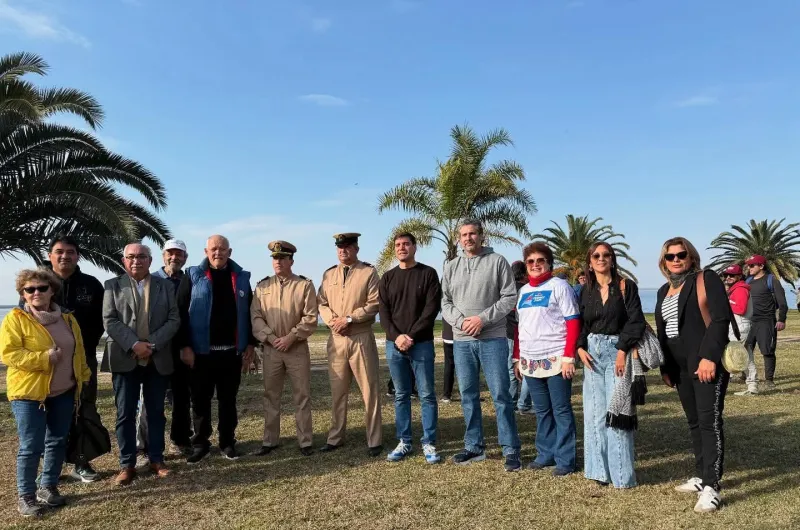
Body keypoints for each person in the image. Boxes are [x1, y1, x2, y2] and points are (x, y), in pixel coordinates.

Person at [1, 268, 92, 516]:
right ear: (23, 293)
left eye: (42, 288)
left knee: (57, 440)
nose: (36, 293)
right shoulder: (15, 319)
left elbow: (79, 350)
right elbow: (9, 354)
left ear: (52, 290)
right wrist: (44, 358)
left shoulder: (67, 319)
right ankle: (27, 496)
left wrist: (83, 376)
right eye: (29, 289)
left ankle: (48, 487)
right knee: (31, 446)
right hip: (29, 395)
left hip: (64, 391)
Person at [654, 237, 732, 513]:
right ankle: (701, 476)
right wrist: (666, 368)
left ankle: (712, 486)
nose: (676, 260)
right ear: (663, 261)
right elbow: (664, 332)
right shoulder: (665, 290)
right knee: (694, 422)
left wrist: (710, 357)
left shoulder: (705, 279)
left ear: (691, 256)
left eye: (681, 254)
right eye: (670, 256)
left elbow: (721, 319)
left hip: (705, 363)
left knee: (709, 422)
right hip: (680, 367)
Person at [441, 220, 521, 471]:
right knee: (468, 395)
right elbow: (445, 302)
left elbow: (510, 297)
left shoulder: (497, 261)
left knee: (500, 395)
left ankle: (510, 449)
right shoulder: (451, 266)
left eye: (472, 233)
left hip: (493, 339)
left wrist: (482, 320)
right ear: (459, 238)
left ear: (481, 235)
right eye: (464, 235)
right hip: (462, 341)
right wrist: (462, 322)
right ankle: (474, 447)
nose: (468, 238)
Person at [103, 243, 180, 486]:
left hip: (157, 358)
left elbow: (173, 319)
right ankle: (127, 464)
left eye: (142, 257)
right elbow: (110, 320)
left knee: (156, 412)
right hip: (125, 358)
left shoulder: (165, 286)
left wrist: (151, 344)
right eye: (131, 257)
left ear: (150, 260)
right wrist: (134, 344)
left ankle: (157, 459)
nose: (137, 261)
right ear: (124, 260)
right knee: (125, 413)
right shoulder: (112, 286)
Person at [177, 235, 256, 463]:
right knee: (200, 400)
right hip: (201, 353)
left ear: (229, 252)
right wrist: (185, 346)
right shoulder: (192, 275)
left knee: (228, 400)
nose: (218, 253)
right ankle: (200, 443)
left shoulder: (241, 278)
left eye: (222, 249)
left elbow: (249, 313)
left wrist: (250, 343)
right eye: (213, 249)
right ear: (206, 251)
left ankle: (227, 442)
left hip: (231, 353)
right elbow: (180, 312)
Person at [576, 243, 645, 488]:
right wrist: (580, 347)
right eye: (596, 255)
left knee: (618, 413)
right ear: (590, 261)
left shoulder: (626, 287)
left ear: (613, 260)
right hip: (592, 353)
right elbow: (582, 324)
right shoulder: (586, 290)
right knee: (594, 415)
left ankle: (622, 477)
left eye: (606, 255)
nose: (601, 259)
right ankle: (598, 472)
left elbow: (636, 321)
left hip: (618, 351)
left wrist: (622, 350)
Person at [512, 242, 580, 477]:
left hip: (556, 357)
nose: (535, 265)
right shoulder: (523, 292)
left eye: (540, 260)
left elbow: (573, 321)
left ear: (549, 262)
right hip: (530, 360)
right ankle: (545, 454)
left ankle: (565, 459)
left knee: (560, 409)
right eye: (530, 261)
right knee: (542, 411)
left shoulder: (559, 286)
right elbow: (520, 327)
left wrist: (569, 357)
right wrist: (517, 357)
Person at [46, 235, 105, 483]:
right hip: (49, 362)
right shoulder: (39, 283)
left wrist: (80, 349)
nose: (65, 256)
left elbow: (101, 322)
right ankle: (52, 466)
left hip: (83, 360)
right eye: (59, 251)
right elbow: (26, 321)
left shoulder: (91, 285)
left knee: (84, 408)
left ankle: (82, 461)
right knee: (51, 413)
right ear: (50, 255)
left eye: (70, 252)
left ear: (77, 256)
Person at [379, 233, 442, 463]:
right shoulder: (387, 278)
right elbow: (383, 313)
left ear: (415, 247)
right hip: (394, 346)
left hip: (421, 344)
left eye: (406, 244)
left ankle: (429, 442)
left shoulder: (428, 274)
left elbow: (431, 309)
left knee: (426, 395)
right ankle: (404, 441)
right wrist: (397, 337)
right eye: (398, 245)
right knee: (401, 395)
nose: (402, 248)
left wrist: (411, 336)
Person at [317, 233, 383, 456]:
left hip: (360, 337)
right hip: (336, 339)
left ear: (356, 248)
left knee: (369, 391)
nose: (342, 250)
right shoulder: (328, 275)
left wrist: (349, 319)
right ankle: (335, 437)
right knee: (337, 392)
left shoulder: (368, 272)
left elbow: (374, 303)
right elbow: (321, 303)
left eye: (347, 246)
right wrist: (333, 321)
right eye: (339, 247)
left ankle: (374, 439)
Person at [251, 240, 318, 457]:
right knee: (271, 395)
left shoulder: (304, 285)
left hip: (296, 348)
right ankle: (270, 441)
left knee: (302, 395)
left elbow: (310, 317)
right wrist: (270, 338)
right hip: (272, 350)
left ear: (291, 260)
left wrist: (291, 337)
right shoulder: (262, 287)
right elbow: (256, 316)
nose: (277, 261)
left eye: (282, 258)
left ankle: (305, 441)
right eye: (274, 258)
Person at [743, 254, 788, 392]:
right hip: (749, 321)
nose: (749, 268)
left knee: (767, 351)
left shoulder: (771, 280)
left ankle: (769, 380)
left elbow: (782, 303)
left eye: (752, 265)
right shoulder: (748, 280)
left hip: (766, 321)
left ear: (761, 266)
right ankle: (745, 375)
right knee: (745, 349)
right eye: (748, 265)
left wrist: (781, 319)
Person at [723, 265, 757, 396]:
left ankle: (726, 383)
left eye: (731, 275)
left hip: (740, 325)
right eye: (726, 275)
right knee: (746, 356)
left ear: (739, 276)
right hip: (739, 325)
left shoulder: (740, 289)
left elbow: (740, 309)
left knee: (735, 355)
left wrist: (726, 303)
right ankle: (752, 385)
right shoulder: (736, 289)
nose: (728, 277)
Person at [511, 260, 533, 414]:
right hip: (522, 335)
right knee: (527, 370)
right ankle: (523, 403)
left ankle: (512, 401)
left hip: (507, 333)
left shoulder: (507, 289)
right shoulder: (527, 290)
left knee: (512, 369)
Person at [440, 320, 456, 403]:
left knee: (449, 364)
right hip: (460, 335)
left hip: (449, 333)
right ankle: (446, 394)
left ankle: (446, 394)